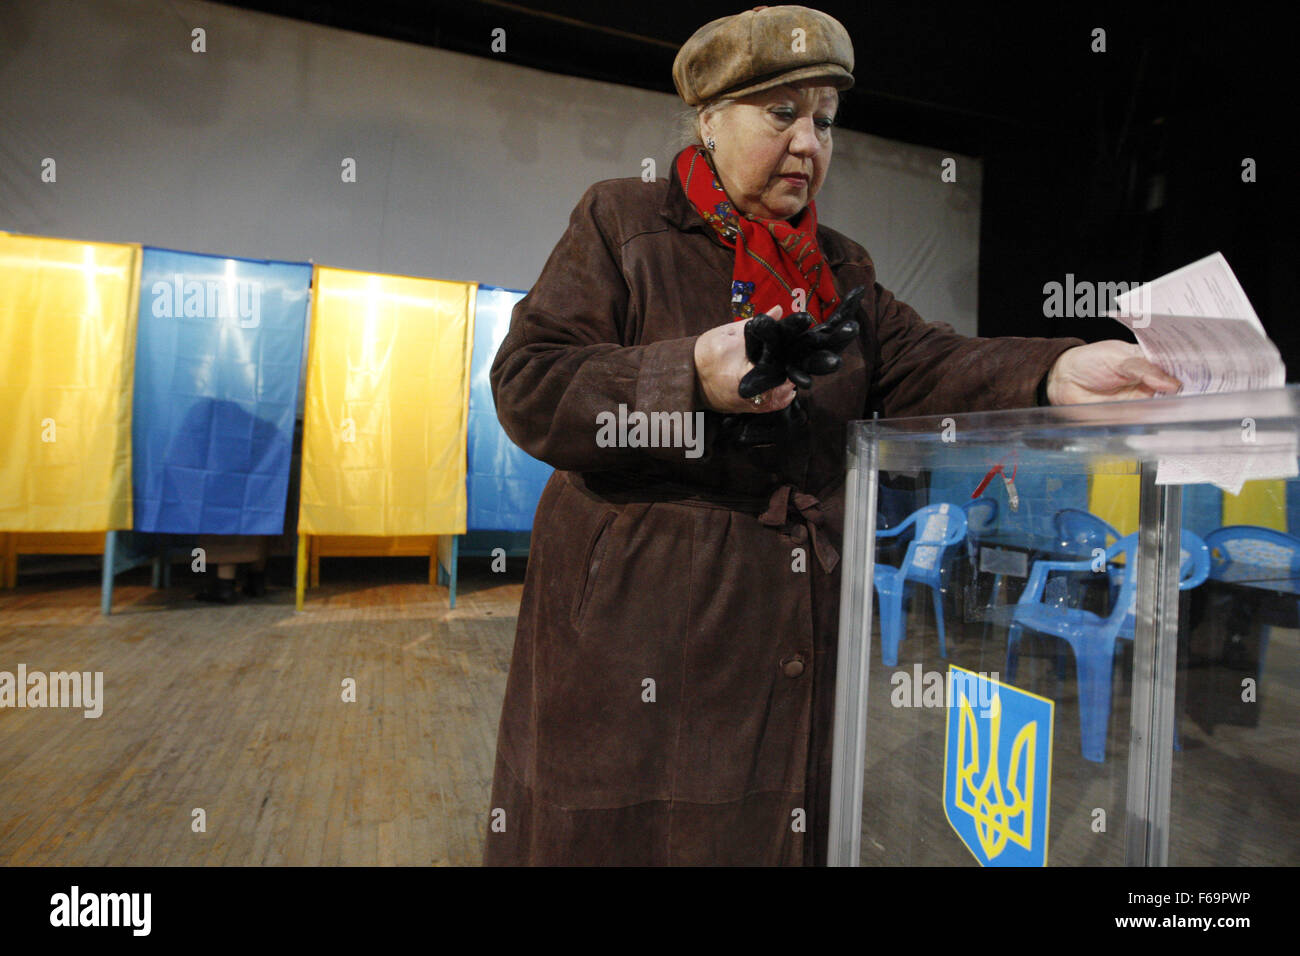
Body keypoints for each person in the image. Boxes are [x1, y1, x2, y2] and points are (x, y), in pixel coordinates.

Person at [483, 5, 1179, 865]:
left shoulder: (839, 268)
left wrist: (1055, 370)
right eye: (781, 113)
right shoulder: (623, 225)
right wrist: (689, 378)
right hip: (643, 634)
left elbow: (927, 363)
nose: (808, 142)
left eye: (825, 121)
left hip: (791, 630)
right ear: (708, 118)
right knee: (641, 833)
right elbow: (529, 383)